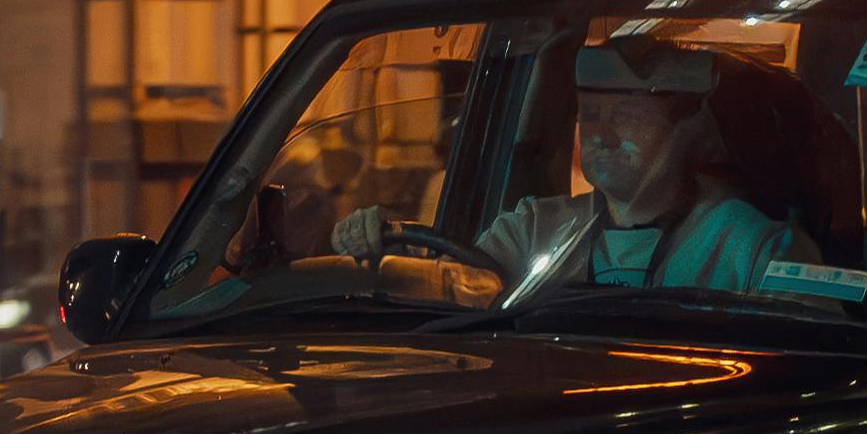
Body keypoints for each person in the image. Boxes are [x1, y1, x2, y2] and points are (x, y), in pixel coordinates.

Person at [347, 41, 818, 299]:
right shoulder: (532, 230)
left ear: (690, 126)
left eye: (627, 116)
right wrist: (381, 257)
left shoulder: (757, 247)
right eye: (590, 114)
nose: (601, 134)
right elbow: (450, 298)